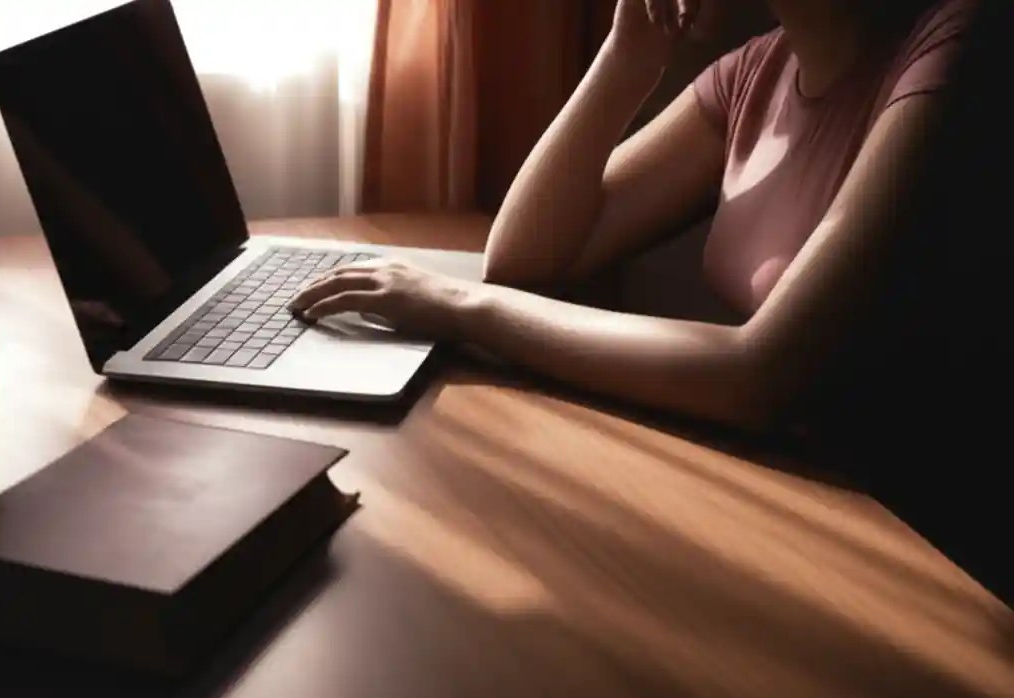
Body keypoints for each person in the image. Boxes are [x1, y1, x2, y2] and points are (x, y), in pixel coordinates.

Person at [289, 0, 977, 433]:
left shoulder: (952, 40)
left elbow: (757, 374)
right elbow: (526, 260)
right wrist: (624, 61)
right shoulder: (756, 73)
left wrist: (462, 307)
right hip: (793, 479)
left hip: (916, 536)